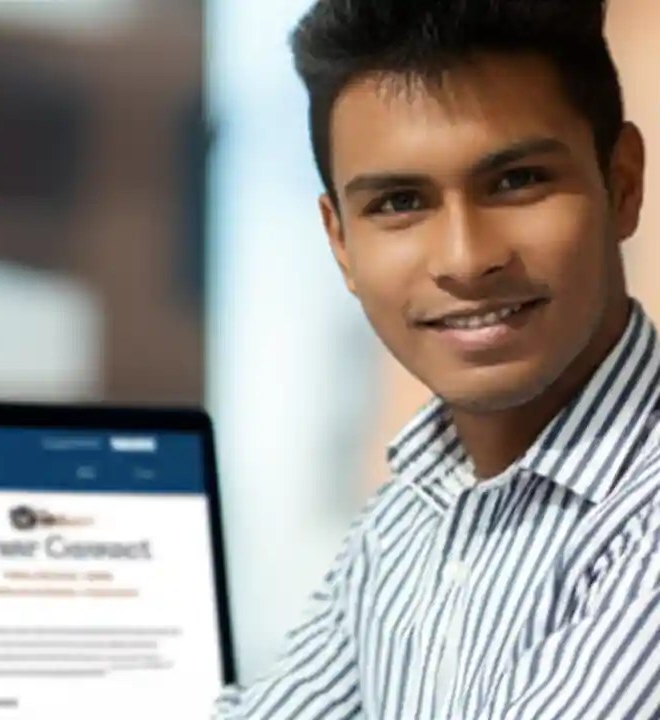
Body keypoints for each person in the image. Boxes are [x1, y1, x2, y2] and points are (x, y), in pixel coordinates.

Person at [213, 0, 660, 717]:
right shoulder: (408, 517)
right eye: (399, 203)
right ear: (340, 244)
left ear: (623, 184)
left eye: (517, 181)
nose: (465, 259)